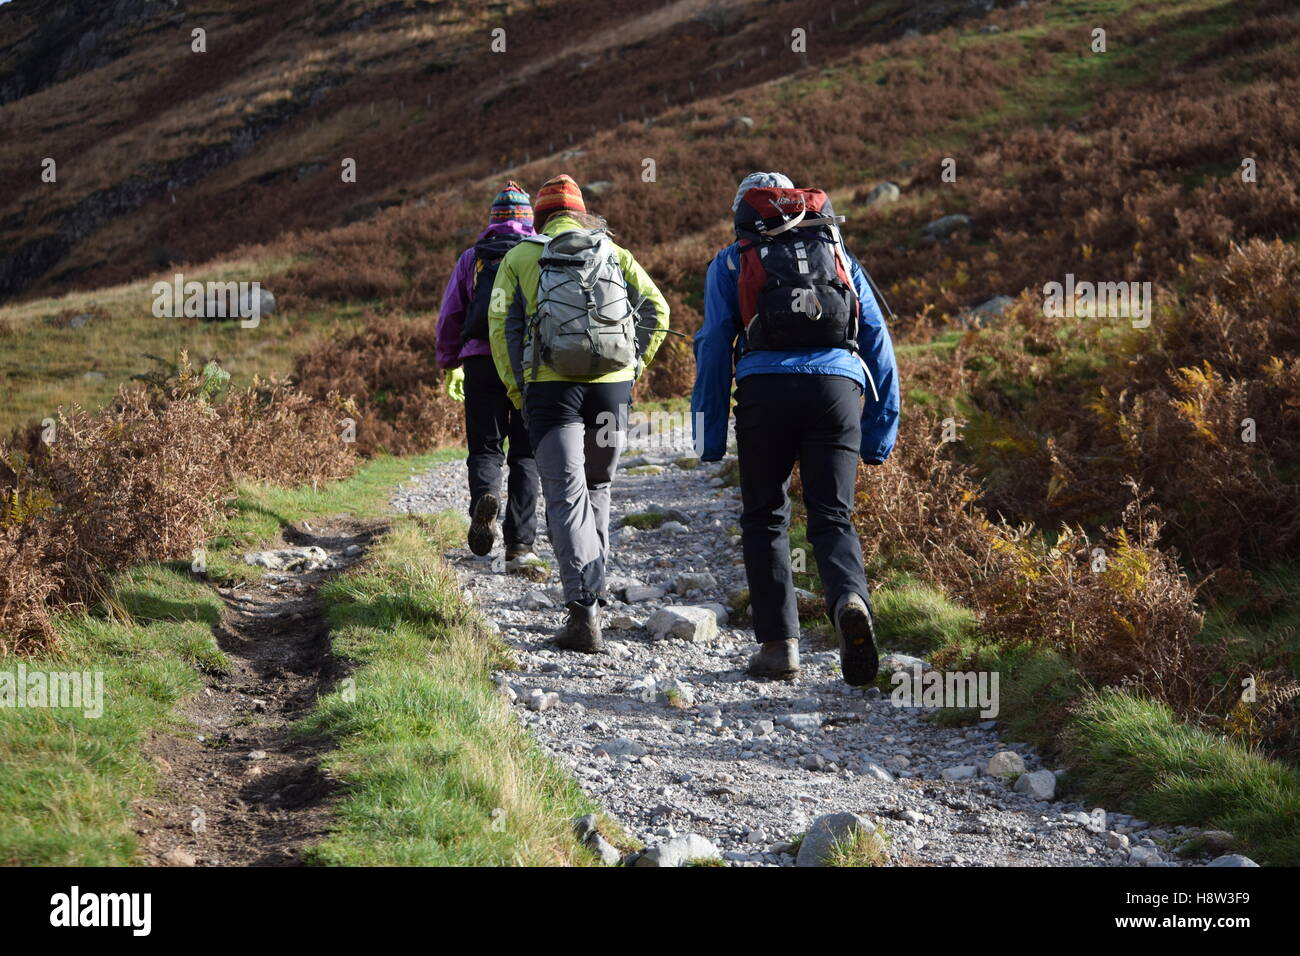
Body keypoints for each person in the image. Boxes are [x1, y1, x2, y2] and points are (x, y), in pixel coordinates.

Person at [691, 171, 900, 685]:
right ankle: (850, 599)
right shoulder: (837, 253)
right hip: (838, 391)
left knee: (765, 518)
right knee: (832, 516)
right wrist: (879, 432)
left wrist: (709, 434)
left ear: (745, 212)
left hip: (765, 392)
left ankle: (779, 646)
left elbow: (715, 347)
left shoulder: (731, 260)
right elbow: (876, 338)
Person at [489, 174, 670, 653]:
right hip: (611, 393)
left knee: (567, 496)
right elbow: (658, 309)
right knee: (599, 487)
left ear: (542, 215)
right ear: (581, 212)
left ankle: (583, 610)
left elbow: (499, 325)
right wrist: (634, 366)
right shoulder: (614, 252)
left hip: (552, 393)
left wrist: (517, 388)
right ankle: (594, 592)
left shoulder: (520, 256)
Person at [436, 182, 540, 561]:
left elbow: (451, 315)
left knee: (485, 447)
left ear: (492, 220)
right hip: (528, 364)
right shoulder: (539, 253)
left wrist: (450, 363)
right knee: (526, 453)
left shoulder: (473, 258)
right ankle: (520, 544)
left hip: (480, 361)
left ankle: (485, 498)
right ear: (529, 220)